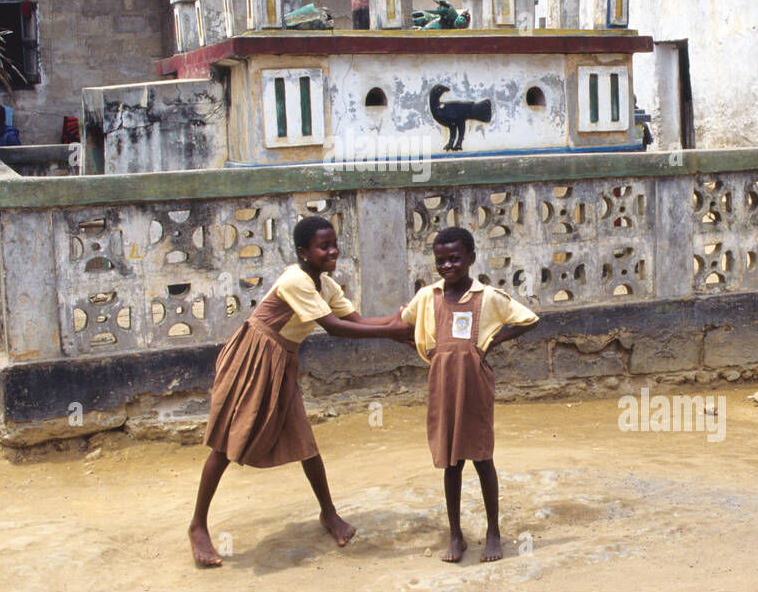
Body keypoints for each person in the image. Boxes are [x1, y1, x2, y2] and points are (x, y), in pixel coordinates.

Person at [189, 215, 413, 567]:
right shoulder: (295, 280)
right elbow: (335, 328)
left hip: (282, 360)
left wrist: (400, 320)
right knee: (227, 441)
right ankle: (198, 526)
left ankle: (329, 514)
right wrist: (393, 330)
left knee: (305, 441)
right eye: (324, 246)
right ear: (303, 252)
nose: (333, 250)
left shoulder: (324, 283)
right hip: (254, 357)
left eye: (334, 243)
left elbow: (356, 320)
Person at [401, 226, 537, 563]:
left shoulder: (487, 296)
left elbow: (529, 320)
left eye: (455, 259)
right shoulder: (428, 296)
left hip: (474, 383)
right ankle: (456, 535)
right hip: (442, 384)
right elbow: (405, 321)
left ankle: (493, 533)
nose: (447, 266)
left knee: (482, 457)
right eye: (441, 260)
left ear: (471, 259)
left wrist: (489, 343)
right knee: (452, 461)